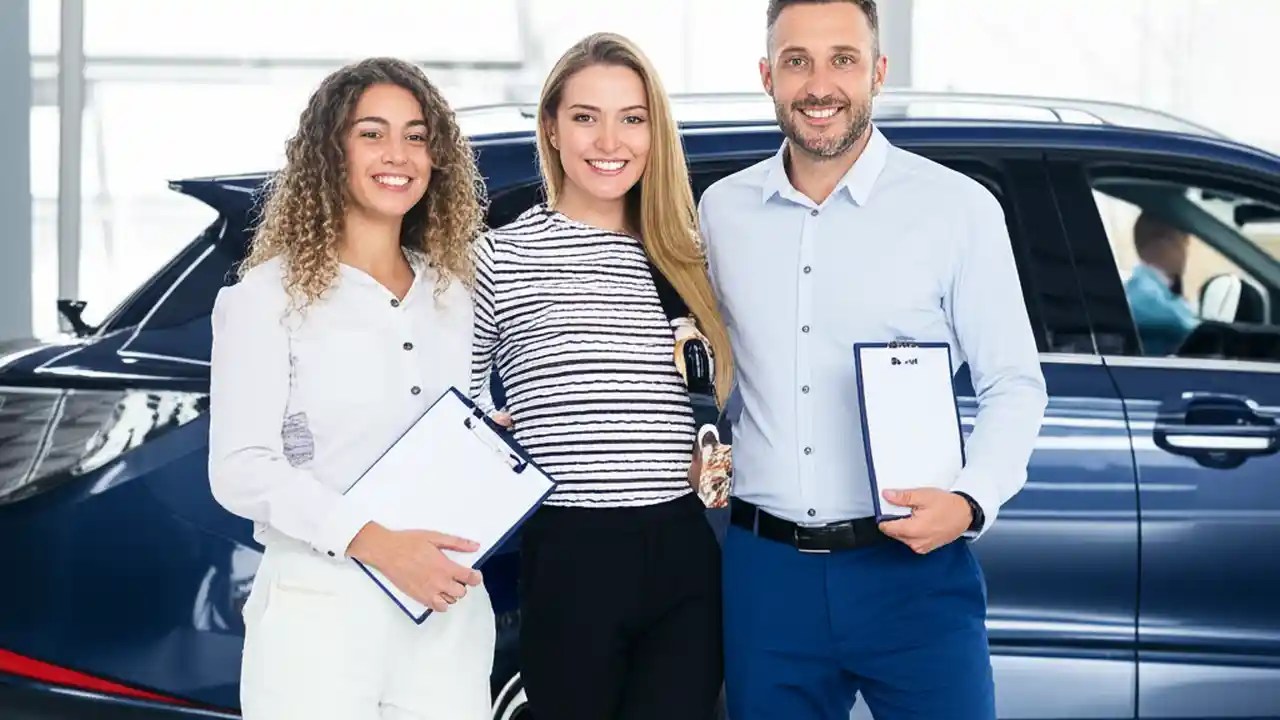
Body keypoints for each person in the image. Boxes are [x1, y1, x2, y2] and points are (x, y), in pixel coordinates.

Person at [696, 2, 1049, 718]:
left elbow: (1014, 383)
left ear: (878, 72)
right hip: (767, 578)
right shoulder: (721, 212)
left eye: (843, 59)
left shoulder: (957, 209)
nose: (819, 84)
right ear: (767, 75)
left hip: (913, 572)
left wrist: (971, 501)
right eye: (796, 61)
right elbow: (704, 373)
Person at [207, 57, 495, 720]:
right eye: (372, 134)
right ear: (330, 152)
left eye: (416, 136)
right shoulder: (265, 299)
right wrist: (377, 542)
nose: (398, 154)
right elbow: (241, 469)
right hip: (320, 610)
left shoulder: (456, 294)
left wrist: (486, 437)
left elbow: (457, 418)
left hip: (445, 610)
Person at [468, 32, 733, 720]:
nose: (609, 141)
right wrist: (490, 440)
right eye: (586, 117)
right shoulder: (499, 258)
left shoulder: (688, 256)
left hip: (686, 550)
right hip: (569, 552)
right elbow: (452, 411)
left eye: (632, 118)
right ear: (552, 128)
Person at [1124, 211, 1200, 355]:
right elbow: (1192, 329)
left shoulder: (1146, 289)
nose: (1186, 253)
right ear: (1165, 244)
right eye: (1184, 243)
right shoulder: (1147, 296)